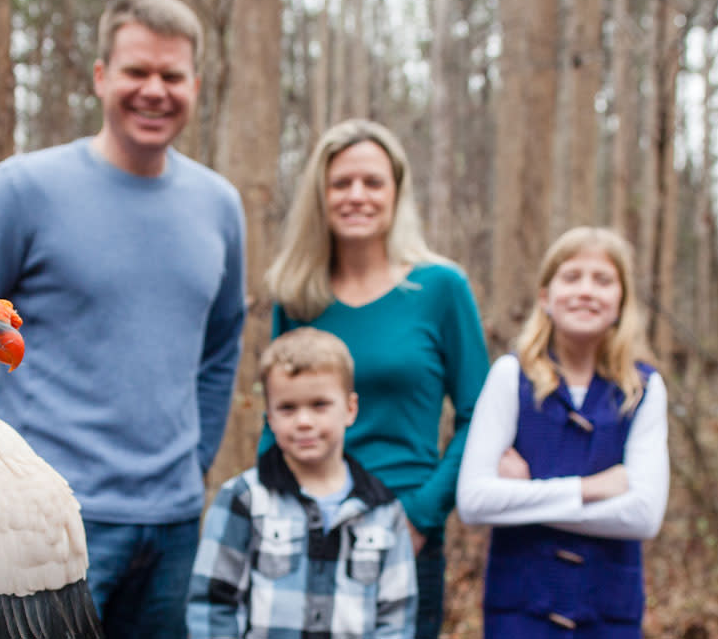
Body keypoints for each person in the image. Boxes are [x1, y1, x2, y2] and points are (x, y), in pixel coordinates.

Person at [0, 0, 246, 638]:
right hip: (46, 516)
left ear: (195, 84)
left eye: (171, 75)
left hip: (174, 524)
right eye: (137, 71)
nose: (154, 91)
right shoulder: (22, 190)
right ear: (102, 75)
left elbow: (220, 350)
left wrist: (193, 465)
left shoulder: (219, 207)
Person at [256, 118, 490, 639]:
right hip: (305, 529)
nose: (356, 196)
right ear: (320, 195)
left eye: (372, 182)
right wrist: (270, 506)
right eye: (341, 183)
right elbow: (276, 416)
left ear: (397, 193)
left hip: (403, 529)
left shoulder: (440, 288)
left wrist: (421, 516)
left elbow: (480, 414)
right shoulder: (298, 294)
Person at [456, 226, 669, 638]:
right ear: (545, 297)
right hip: (520, 608)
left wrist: (524, 495)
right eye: (571, 277)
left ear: (621, 299)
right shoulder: (509, 376)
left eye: (603, 280)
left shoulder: (644, 388)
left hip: (608, 611)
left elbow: (643, 516)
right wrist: (591, 488)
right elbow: (474, 501)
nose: (586, 291)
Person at [188, 327, 418, 639]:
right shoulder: (243, 500)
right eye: (287, 408)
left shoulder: (384, 511)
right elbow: (212, 606)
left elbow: (396, 621)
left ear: (350, 409)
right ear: (269, 415)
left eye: (319, 404)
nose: (304, 421)